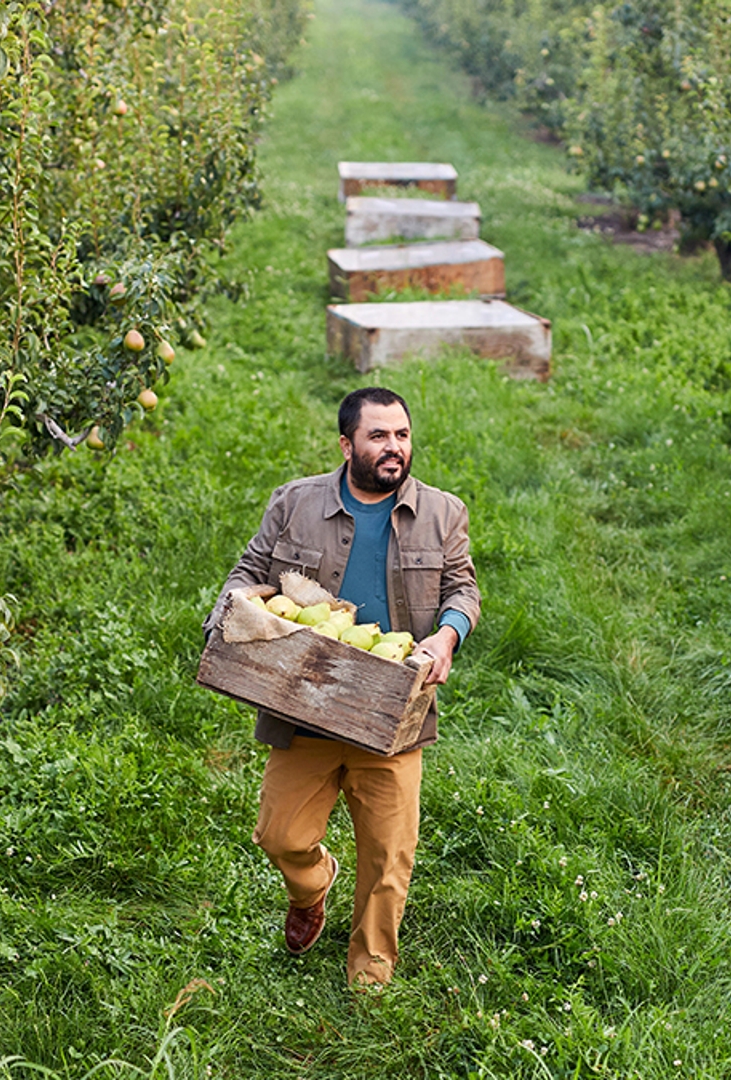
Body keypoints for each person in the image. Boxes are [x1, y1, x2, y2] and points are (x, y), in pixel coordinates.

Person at [206, 387, 481, 988]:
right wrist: (236, 608)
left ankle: (371, 973)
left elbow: (463, 589)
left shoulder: (442, 512)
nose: (393, 448)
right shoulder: (296, 503)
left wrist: (446, 637)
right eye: (378, 436)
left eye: (402, 436)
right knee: (280, 835)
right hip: (306, 702)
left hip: (390, 713)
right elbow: (250, 572)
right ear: (347, 443)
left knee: (387, 858)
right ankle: (312, 884)